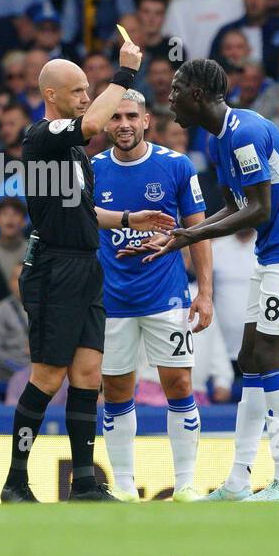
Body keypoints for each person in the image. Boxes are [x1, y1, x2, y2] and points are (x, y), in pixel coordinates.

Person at [131, 58, 279, 503]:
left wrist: (192, 234)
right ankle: (239, 479)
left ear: (199, 95)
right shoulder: (218, 138)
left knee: (271, 355)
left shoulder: (244, 134)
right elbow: (235, 205)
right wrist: (188, 234)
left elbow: (258, 211)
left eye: (178, 89)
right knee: (250, 357)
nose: (171, 97)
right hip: (273, 250)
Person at [0, 37, 174, 503]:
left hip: (84, 263)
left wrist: (128, 219)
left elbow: (85, 211)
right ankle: (15, 480)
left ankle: (84, 482)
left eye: (86, 89)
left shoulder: (73, 154)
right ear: (52, 95)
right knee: (47, 376)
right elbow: (95, 122)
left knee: (88, 373)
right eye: (77, 90)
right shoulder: (43, 136)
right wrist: (125, 75)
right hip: (54, 267)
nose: (84, 96)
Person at [94, 89, 210, 502]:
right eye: (116, 117)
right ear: (106, 124)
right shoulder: (92, 170)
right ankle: (124, 485)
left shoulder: (176, 166)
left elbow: (198, 231)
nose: (123, 124)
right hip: (112, 299)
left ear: (146, 121)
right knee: (117, 390)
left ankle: (186, 483)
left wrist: (206, 292)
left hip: (168, 296)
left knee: (179, 383)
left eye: (131, 116)